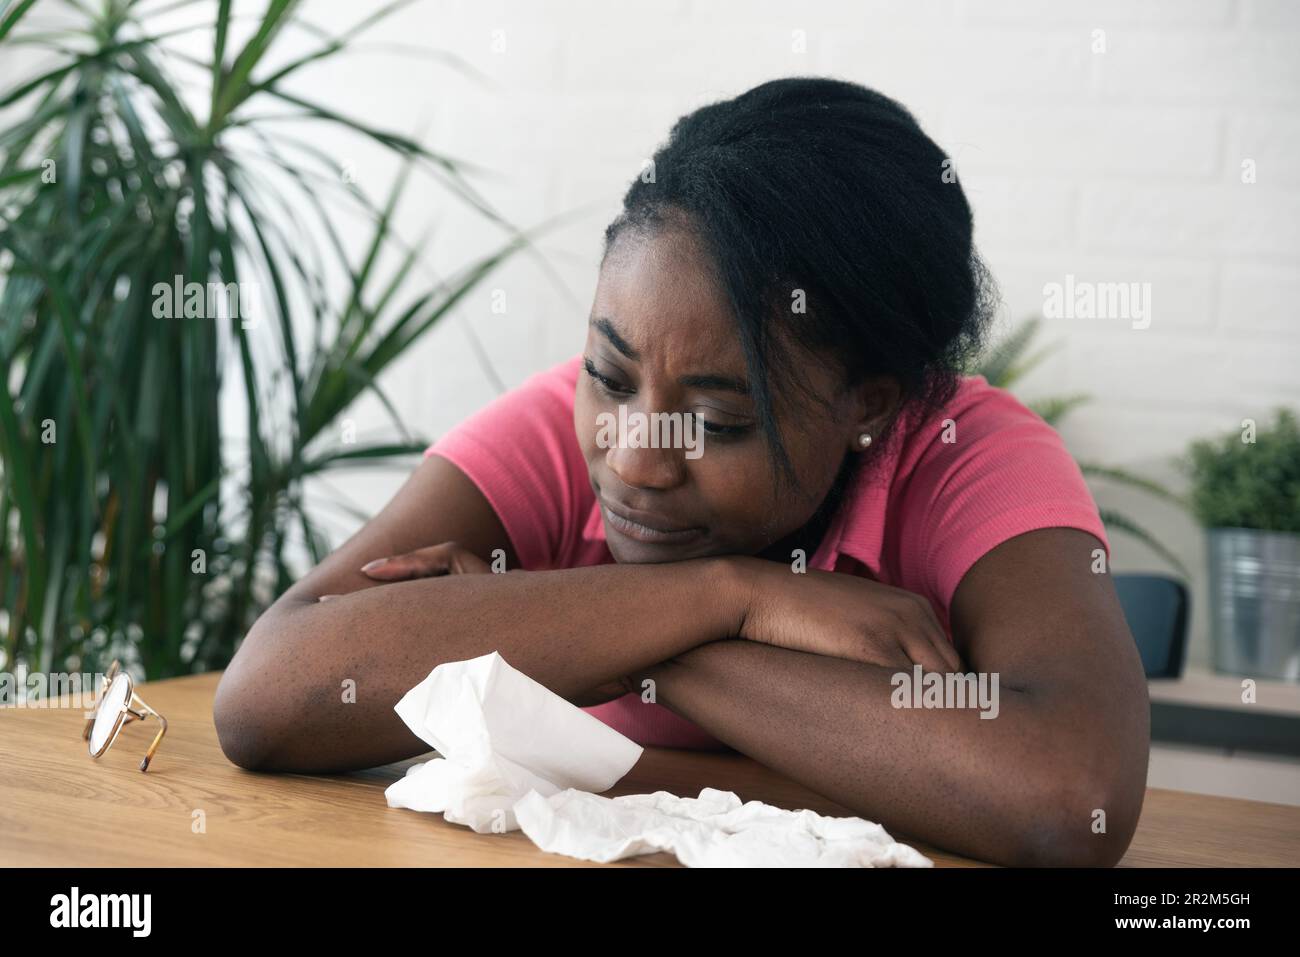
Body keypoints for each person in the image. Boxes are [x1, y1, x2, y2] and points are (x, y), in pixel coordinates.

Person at [214, 77, 1149, 867]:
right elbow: (270, 697)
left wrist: (617, 639)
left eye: (716, 420)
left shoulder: (964, 456)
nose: (632, 455)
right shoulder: (550, 428)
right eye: (606, 375)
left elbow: (1071, 795)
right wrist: (735, 597)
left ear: (869, 403)